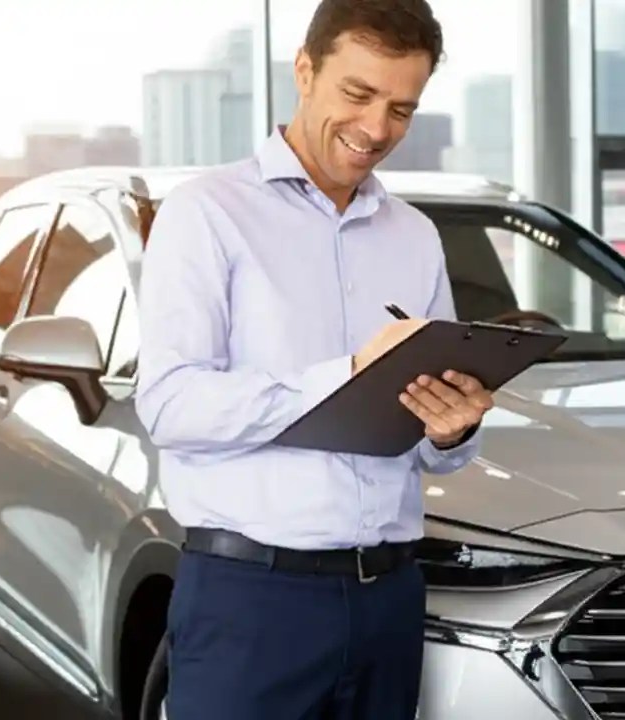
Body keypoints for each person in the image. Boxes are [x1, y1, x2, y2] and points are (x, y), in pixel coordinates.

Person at [134, 0, 492, 717]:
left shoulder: (415, 236)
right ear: (304, 70)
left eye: (401, 108)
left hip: (390, 598)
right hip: (253, 603)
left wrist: (452, 429)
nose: (376, 129)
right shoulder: (207, 214)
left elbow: (428, 452)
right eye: (357, 95)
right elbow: (169, 404)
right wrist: (348, 376)